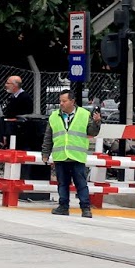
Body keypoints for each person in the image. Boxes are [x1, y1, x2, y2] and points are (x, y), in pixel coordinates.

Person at [42, 89, 101, 217]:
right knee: (62, 183)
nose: (61, 104)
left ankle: (85, 208)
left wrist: (97, 122)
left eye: (64, 101)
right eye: (60, 101)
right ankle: (63, 206)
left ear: (72, 101)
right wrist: (45, 153)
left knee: (81, 184)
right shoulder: (54, 116)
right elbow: (48, 136)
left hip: (76, 156)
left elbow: (92, 132)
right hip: (61, 155)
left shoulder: (84, 114)